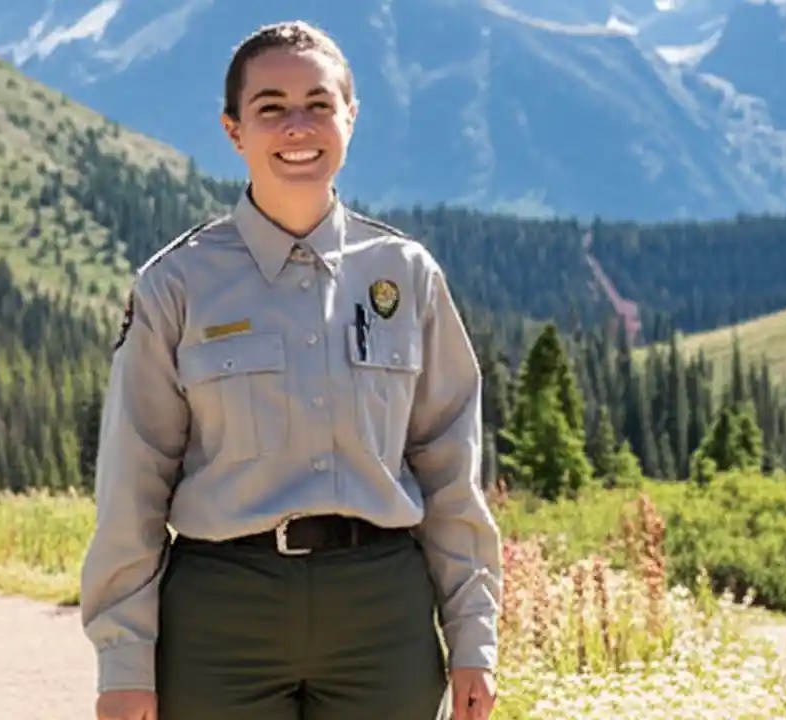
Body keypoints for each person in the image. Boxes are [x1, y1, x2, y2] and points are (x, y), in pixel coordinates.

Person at [79, 19, 503, 720]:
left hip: (382, 615)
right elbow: (133, 482)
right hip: (220, 615)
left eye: (318, 104)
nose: (297, 126)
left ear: (351, 117)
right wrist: (123, 662)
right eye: (270, 107)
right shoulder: (175, 285)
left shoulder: (407, 275)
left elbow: (451, 475)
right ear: (233, 129)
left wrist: (472, 642)